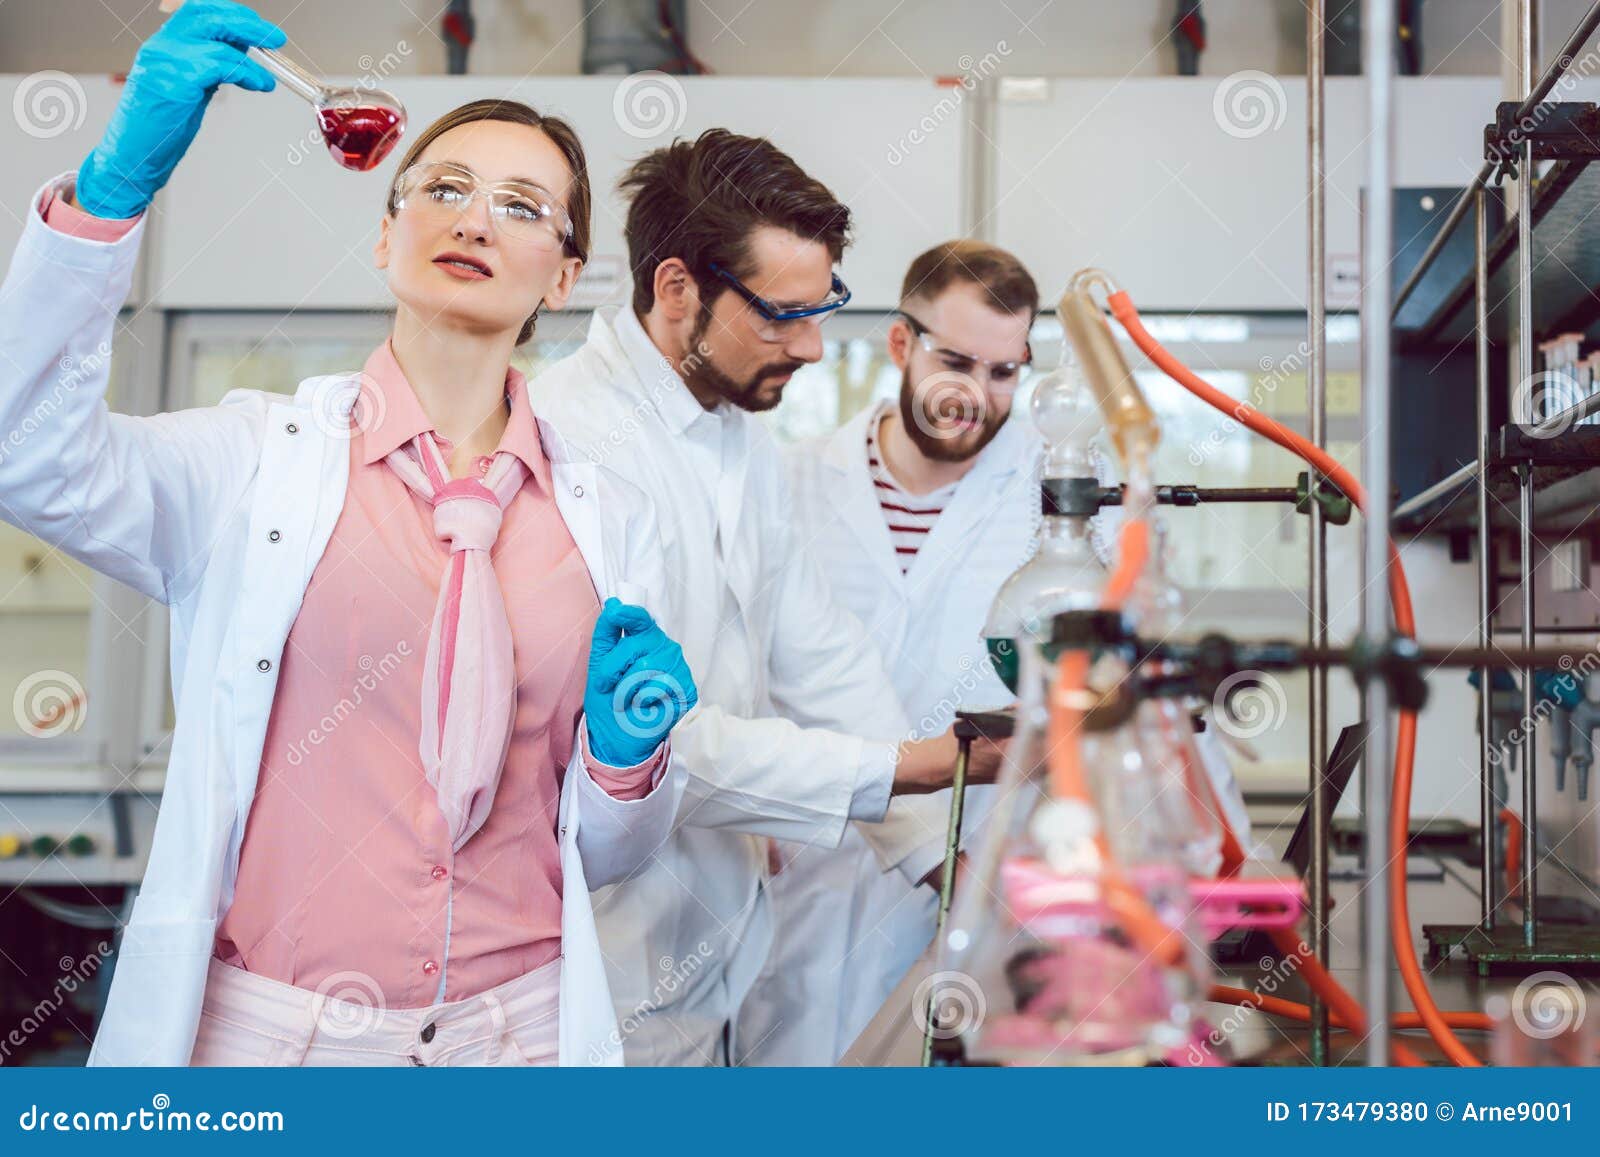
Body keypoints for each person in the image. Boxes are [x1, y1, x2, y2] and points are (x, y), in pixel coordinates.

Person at [0, 1, 697, 1067]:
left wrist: (625, 767)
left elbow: (601, 853)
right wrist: (108, 198)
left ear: (564, 277)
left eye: (521, 206)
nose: (474, 221)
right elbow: (26, 454)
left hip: (522, 1039)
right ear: (384, 235)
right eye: (444, 189)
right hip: (282, 1043)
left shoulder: (612, 518)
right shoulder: (251, 463)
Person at [527, 132, 1005, 1065]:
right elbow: (654, 743)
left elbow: (819, 653)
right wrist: (915, 767)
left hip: (717, 952)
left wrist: (942, 859)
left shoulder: (737, 431)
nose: (813, 346)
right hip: (604, 980)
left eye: (823, 308)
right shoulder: (569, 443)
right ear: (677, 290)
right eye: (784, 315)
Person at [739, 240, 1056, 1065]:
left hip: (983, 891)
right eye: (956, 361)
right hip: (809, 882)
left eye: (1004, 371)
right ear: (901, 343)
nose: (976, 394)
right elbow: (739, 672)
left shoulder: (1055, 506)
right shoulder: (790, 483)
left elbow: (1120, 693)